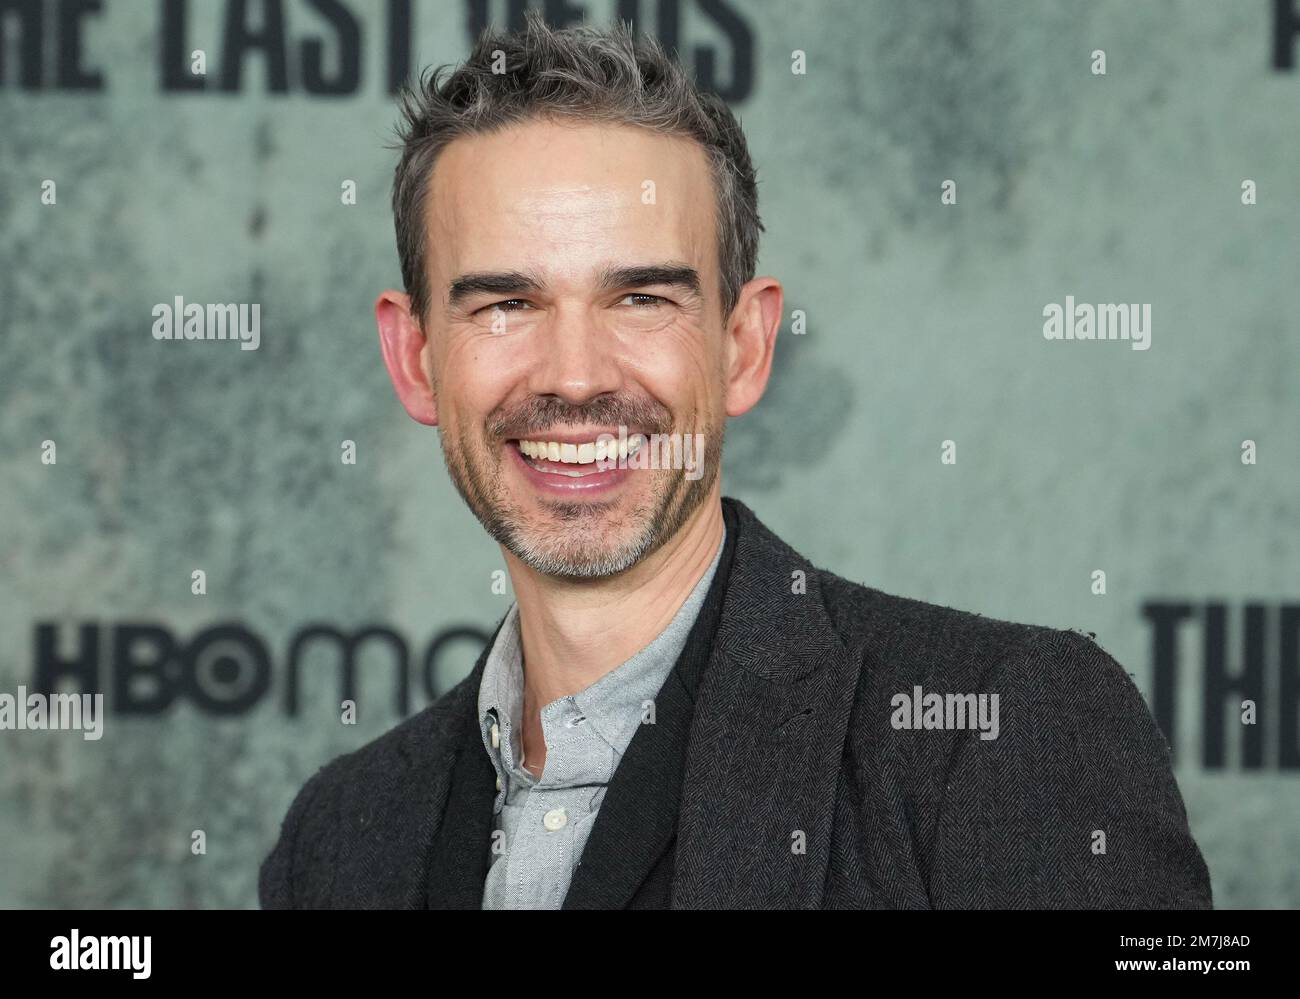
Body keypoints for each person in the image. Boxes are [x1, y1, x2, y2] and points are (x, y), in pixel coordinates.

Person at [259, 12, 1212, 909]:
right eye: (506, 304)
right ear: (415, 359)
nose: (575, 376)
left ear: (744, 346)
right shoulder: (339, 837)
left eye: (642, 299)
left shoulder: (1001, 727)